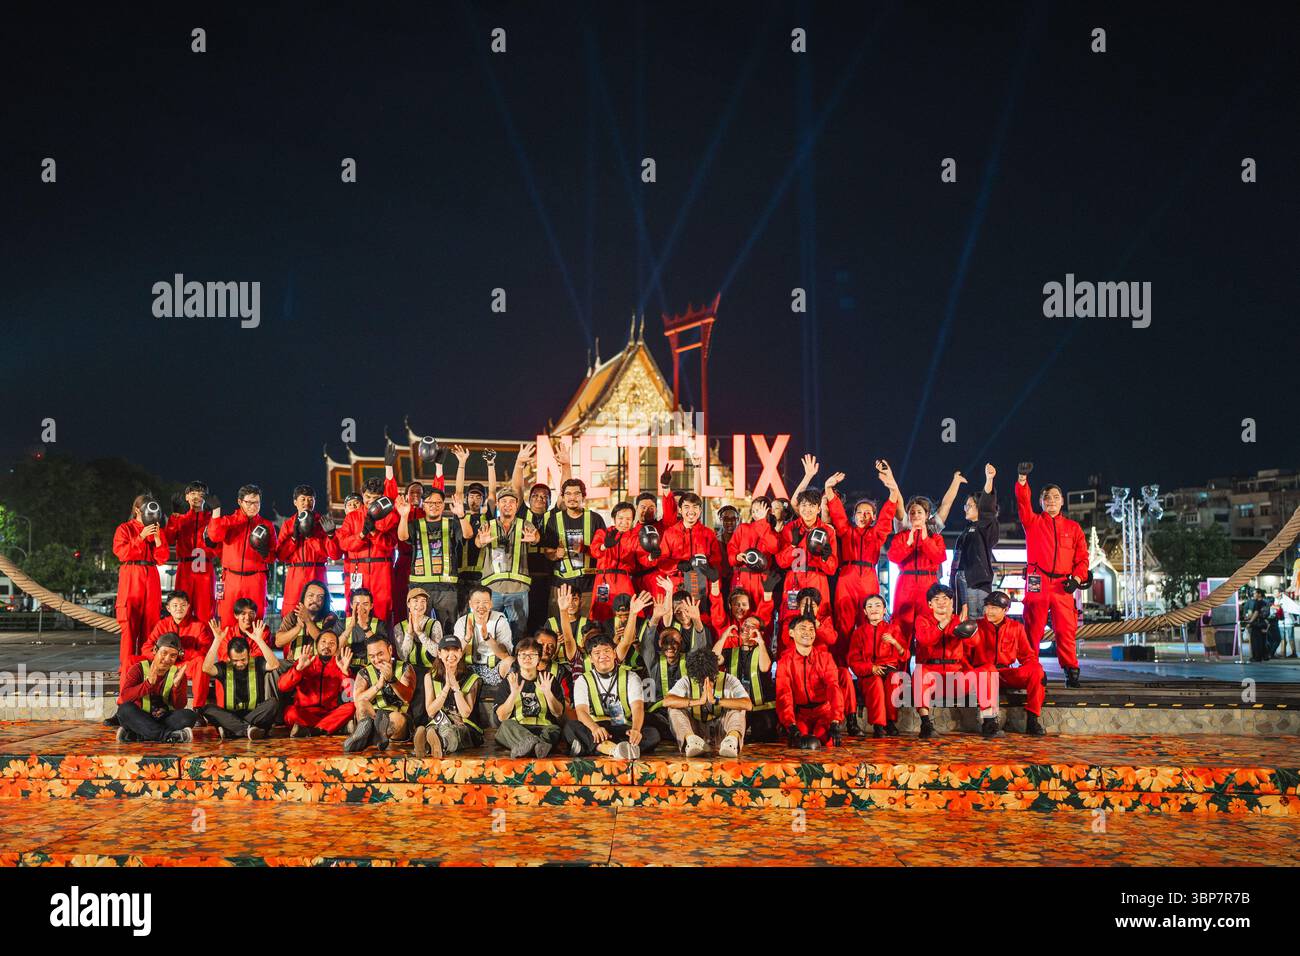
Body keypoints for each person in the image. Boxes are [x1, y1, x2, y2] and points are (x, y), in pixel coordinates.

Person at [1016, 463, 1090, 687]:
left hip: (1062, 585)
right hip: (1037, 581)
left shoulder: (1073, 528)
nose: (1051, 500)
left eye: (1056, 497)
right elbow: (1022, 501)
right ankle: (1031, 669)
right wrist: (1022, 479)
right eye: (1046, 497)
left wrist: (1076, 580)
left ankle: (1071, 671)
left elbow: (1083, 559)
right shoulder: (1032, 522)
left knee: (1066, 629)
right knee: (1032, 628)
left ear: (1062, 501)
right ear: (1040, 502)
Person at [823, 460, 899, 635]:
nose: (863, 516)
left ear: (873, 517)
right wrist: (828, 488)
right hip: (846, 578)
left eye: (868, 513)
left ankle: (867, 661)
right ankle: (842, 662)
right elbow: (837, 512)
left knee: (869, 622)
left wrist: (893, 488)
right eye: (859, 512)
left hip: (868, 579)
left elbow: (887, 514)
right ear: (854, 516)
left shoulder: (878, 533)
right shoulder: (845, 531)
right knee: (843, 623)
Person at [565, 632, 659, 758]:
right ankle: (617, 750)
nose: (603, 656)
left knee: (653, 734)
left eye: (607, 651)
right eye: (597, 653)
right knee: (570, 727)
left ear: (614, 653)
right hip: (597, 728)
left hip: (622, 727)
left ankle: (594, 748)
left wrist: (636, 730)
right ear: (591, 659)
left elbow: (638, 707)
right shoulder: (583, 680)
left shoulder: (631, 676)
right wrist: (594, 728)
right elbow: (581, 711)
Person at [968, 591, 1046, 736]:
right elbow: (965, 655)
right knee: (987, 670)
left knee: (1036, 670)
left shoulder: (1016, 628)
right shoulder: (975, 627)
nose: (989, 611)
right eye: (987, 607)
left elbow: (1028, 656)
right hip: (982, 675)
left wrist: (1039, 671)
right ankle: (989, 723)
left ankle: (1032, 720)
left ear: (1006, 610)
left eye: (994, 608)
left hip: (1005, 674)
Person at [112, 494, 171, 676]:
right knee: (129, 628)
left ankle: (148, 668)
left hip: (151, 576)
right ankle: (128, 671)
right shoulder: (125, 528)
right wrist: (140, 537)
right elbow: (122, 553)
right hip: (131, 576)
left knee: (150, 628)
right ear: (137, 509)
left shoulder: (157, 530)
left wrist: (158, 538)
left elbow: (162, 558)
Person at [912, 584, 980, 739]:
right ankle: (925, 723)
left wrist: (967, 628)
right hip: (932, 676)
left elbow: (974, 643)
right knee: (919, 673)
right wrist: (945, 622)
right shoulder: (922, 620)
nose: (941, 602)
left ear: (951, 601)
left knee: (988, 671)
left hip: (956, 676)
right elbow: (926, 640)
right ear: (930, 604)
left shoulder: (960, 620)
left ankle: (990, 721)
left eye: (945, 598)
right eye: (936, 599)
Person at [474, 486, 541, 640]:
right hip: (493, 589)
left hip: (518, 589)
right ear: (497, 504)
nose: (508, 504)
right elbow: (478, 541)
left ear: (517, 506)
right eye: (504, 501)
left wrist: (535, 539)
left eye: (512, 501)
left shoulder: (525, 524)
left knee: (518, 632)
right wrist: (481, 541)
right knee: (488, 630)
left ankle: (515, 663)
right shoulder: (488, 525)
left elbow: (536, 536)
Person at [397, 485, 468, 628]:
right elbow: (402, 536)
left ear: (443, 506)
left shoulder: (452, 524)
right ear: (423, 505)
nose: (434, 506)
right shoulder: (415, 524)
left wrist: (461, 515)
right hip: (420, 587)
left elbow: (468, 535)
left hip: (447, 587)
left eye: (438, 503)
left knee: (449, 629)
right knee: (419, 629)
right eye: (430, 503)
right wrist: (404, 516)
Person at [208, 484, 278, 627]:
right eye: (249, 503)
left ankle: (255, 649)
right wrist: (216, 512)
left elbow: (273, 556)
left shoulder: (266, 525)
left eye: (257, 503)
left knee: (255, 620)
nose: (253, 506)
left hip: (256, 578)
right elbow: (214, 536)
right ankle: (227, 649)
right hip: (230, 578)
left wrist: (266, 553)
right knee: (227, 620)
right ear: (240, 502)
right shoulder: (229, 522)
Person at [200, 622, 284, 740]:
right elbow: (206, 668)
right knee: (207, 709)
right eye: (235, 660)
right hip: (231, 715)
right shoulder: (224, 667)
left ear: (249, 654)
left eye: (243, 659)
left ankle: (233, 730)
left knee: (273, 703)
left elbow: (275, 664)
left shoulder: (257, 662)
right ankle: (247, 730)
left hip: (255, 715)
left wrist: (259, 640)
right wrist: (217, 640)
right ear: (228, 658)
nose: (239, 664)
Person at [662, 647, 752, 758]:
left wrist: (716, 701)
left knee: (739, 708)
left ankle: (731, 742)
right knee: (673, 709)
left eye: (711, 678)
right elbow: (667, 701)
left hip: (721, 729)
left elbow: (747, 704)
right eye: (701, 679)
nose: (707, 681)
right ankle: (691, 741)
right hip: (697, 731)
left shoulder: (729, 680)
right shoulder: (686, 680)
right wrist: (698, 701)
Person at [776, 489, 839, 644]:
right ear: (799, 507)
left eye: (812, 505)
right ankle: (788, 663)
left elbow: (831, 569)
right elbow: (781, 562)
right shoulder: (790, 528)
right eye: (804, 505)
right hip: (794, 580)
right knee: (790, 621)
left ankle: (817, 663)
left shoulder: (828, 531)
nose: (807, 509)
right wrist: (792, 545)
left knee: (819, 619)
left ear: (819, 508)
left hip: (817, 580)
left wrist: (824, 557)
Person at [886, 492, 947, 645]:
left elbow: (939, 557)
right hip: (905, 585)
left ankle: (924, 667)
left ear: (927, 515)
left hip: (928, 584)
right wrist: (909, 542)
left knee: (927, 627)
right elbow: (893, 557)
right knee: (901, 627)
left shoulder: (936, 537)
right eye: (912, 512)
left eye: (919, 512)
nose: (915, 515)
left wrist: (925, 539)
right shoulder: (902, 536)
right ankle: (901, 667)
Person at [775, 617, 845, 749]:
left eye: (811, 629)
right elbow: (784, 693)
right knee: (801, 742)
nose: (808, 632)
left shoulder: (825, 657)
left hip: (824, 712)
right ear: (791, 633)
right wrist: (790, 724)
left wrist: (836, 720)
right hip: (802, 714)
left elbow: (833, 687)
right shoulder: (785, 661)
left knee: (826, 740)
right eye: (802, 629)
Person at [338, 476, 400, 625]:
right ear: (362, 494)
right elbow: (344, 544)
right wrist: (361, 535)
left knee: (382, 608)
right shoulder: (352, 517)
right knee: (355, 609)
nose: (370, 501)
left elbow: (390, 544)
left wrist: (374, 533)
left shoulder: (390, 516)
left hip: (382, 570)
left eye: (375, 497)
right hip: (358, 569)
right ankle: (354, 645)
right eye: (367, 496)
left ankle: (381, 645)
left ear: (382, 497)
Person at [115, 633, 197, 744]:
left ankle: (138, 735)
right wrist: (148, 684)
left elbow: (179, 705)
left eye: (173, 655)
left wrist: (176, 686)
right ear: (155, 650)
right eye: (164, 653)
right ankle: (168, 736)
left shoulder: (177, 674)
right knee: (124, 710)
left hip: (164, 718)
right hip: (140, 717)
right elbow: (125, 696)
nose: (167, 659)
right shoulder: (138, 669)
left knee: (189, 716)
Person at [275, 484, 342, 616]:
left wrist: (325, 536)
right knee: (292, 614)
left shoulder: (322, 522)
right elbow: (281, 556)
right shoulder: (288, 524)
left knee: (319, 613)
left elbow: (334, 554)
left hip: (317, 572)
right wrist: (293, 538)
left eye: (310, 499)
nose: (307, 503)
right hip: (295, 574)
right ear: (295, 502)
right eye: (303, 499)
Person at [544, 478, 607, 617]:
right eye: (568, 494)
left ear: (583, 496)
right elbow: (547, 552)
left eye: (576, 493)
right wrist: (555, 554)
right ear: (563, 497)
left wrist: (586, 549)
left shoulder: (596, 519)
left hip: (589, 585)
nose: (572, 497)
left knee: (588, 628)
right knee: (559, 629)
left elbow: (605, 552)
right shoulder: (554, 520)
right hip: (561, 585)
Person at [495, 635, 567, 758]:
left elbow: (558, 713)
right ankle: (536, 746)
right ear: (517, 658)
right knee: (505, 726)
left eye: (532, 655)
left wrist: (548, 693)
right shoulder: (509, 681)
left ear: (538, 658)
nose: (527, 658)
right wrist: (513, 694)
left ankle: (529, 747)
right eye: (523, 654)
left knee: (554, 729)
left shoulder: (548, 679)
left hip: (543, 728)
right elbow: (501, 717)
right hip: (518, 730)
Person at [846, 594, 908, 737]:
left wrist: (895, 642)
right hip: (869, 672)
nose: (874, 609)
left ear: (884, 610)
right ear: (865, 612)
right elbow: (853, 660)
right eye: (870, 606)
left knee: (893, 680)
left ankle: (890, 722)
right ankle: (879, 725)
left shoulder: (894, 629)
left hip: (889, 669)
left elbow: (905, 655)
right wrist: (870, 668)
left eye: (878, 605)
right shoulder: (858, 633)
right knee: (875, 683)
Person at [413, 635, 484, 758]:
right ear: (439, 653)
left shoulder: (472, 678)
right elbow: (430, 711)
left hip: (463, 726)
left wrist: (455, 686)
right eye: (446, 650)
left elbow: (466, 712)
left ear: (461, 653)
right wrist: (446, 688)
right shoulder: (430, 677)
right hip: (439, 722)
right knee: (434, 728)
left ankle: (436, 744)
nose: (451, 654)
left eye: (455, 649)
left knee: (451, 732)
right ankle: (427, 742)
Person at [452, 585, 513, 726]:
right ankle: (464, 720)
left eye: (485, 602)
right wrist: (467, 638)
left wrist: (488, 639)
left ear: (491, 603)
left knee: (510, 662)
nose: (481, 606)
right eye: (477, 602)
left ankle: (509, 711)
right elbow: (453, 655)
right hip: (470, 670)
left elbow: (505, 655)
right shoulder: (462, 622)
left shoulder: (500, 621)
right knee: (453, 666)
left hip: (493, 669)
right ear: (470, 604)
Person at [344, 634, 416, 752]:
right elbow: (358, 700)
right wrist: (378, 685)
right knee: (362, 703)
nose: (376, 660)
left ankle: (368, 737)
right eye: (372, 656)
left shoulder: (405, 668)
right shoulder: (364, 673)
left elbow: (407, 697)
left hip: (397, 718)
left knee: (395, 718)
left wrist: (392, 679)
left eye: (380, 654)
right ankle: (373, 735)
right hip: (372, 715)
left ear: (390, 650)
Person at [143, 590, 213, 708]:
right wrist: (162, 657)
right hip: (162, 665)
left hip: (184, 666)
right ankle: (124, 704)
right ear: (168, 608)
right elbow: (146, 648)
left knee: (201, 661)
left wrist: (183, 653)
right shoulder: (162, 625)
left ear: (188, 606)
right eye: (175, 605)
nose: (179, 609)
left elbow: (204, 652)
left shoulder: (199, 626)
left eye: (183, 605)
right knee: (130, 660)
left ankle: (198, 709)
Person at [278, 630, 354, 737]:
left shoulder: (340, 666)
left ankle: (312, 730)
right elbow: (282, 687)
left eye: (332, 643)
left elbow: (350, 697)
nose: (327, 646)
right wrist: (298, 669)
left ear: (337, 649)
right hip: (305, 714)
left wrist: (345, 673)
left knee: (351, 707)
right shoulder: (305, 662)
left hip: (329, 714)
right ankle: (331, 728)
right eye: (323, 642)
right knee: (290, 713)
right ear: (316, 646)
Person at [712, 615, 776, 742]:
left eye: (751, 627)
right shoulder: (731, 652)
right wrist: (723, 637)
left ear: (759, 632)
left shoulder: (764, 651)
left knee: (761, 739)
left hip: (761, 710)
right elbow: (713, 659)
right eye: (745, 625)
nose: (746, 628)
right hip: (739, 708)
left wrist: (761, 642)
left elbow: (764, 667)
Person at [589, 502, 657, 622]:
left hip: (624, 580)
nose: (624, 522)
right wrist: (605, 546)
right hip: (604, 580)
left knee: (629, 611)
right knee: (601, 612)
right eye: (620, 518)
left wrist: (652, 556)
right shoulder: (603, 533)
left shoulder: (634, 538)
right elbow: (594, 551)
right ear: (614, 518)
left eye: (628, 519)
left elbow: (643, 559)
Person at [164, 481, 219, 626]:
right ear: (186, 497)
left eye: (201, 494)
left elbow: (218, 542)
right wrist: (174, 516)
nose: (196, 497)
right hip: (185, 568)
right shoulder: (180, 519)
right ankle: (181, 645)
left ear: (206, 498)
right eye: (192, 493)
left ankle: (206, 647)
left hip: (204, 568)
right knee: (181, 609)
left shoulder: (211, 519)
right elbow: (168, 539)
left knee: (206, 611)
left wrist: (216, 514)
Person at [949, 465, 1000, 621]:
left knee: (975, 632)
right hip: (961, 588)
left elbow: (988, 509)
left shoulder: (985, 528)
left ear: (980, 508)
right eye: (965, 506)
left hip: (976, 588)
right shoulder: (966, 531)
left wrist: (989, 480)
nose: (965, 509)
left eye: (969, 505)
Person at [655, 492, 722, 604]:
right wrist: (677, 565)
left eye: (695, 507)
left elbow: (716, 561)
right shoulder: (670, 533)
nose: (691, 511)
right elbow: (661, 562)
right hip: (677, 583)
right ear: (680, 510)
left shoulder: (708, 534)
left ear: (700, 510)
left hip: (700, 584)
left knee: (699, 616)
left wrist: (712, 572)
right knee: (678, 616)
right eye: (686, 507)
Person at [392, 587, 442, 726]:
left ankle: (423, 725)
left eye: (423, 601)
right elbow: (403, 655)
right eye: (415, 600)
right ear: (408, 604)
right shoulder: (399, 627)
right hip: (409, 669)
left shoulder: (434, 624)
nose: (419, 604)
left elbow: (437, 652)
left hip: (430, 669)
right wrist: (409, 634)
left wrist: (420, 634)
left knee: (423, 685)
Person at [726, 496, 779, 610]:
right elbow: (731, 548)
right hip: (741, 578)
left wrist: (762, 522)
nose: (755, 514)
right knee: (739, 611)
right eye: (753, 511)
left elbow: (773, 547)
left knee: (762, 613)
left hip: (762, 580)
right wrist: (736, 557)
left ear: (768, 511)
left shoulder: (772, 532)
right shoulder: (743, 528)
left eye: (758, 510)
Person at [273, 580, 340, 663]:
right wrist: (298, 628)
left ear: (324, 601)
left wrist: (307, 620)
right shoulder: (293, 615)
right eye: (310, 596)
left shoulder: (330, 617)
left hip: (320, 665)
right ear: (303, 598)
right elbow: (278, 642)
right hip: (294, 664)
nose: (315, 600)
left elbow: (325, 641)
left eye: (320, 597)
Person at [338, 588, 388, 674]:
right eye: (357, 604)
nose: (360, 608)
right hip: (345, 668)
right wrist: (350, 627)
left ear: (371, 606)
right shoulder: (342, 623)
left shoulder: (380, 624)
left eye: (365, 604)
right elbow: (336, 650)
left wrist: (365, 627)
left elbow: (383, 651)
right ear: (351, 605)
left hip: (373, 669)